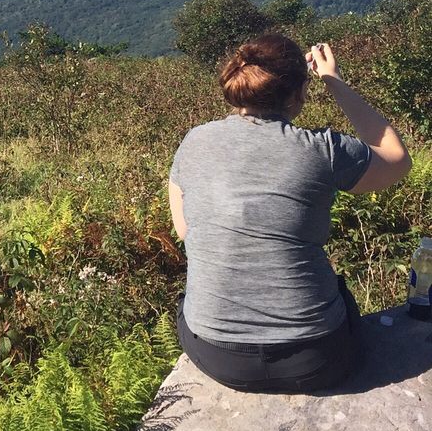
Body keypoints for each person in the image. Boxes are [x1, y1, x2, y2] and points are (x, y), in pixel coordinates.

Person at [168, 33, 411, 393]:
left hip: (217, 356)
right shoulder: (323, 150)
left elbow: (186, 230)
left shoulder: (194, 142)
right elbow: (397, 159)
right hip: (316, 359)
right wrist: (334, 80)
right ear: (298, 93)